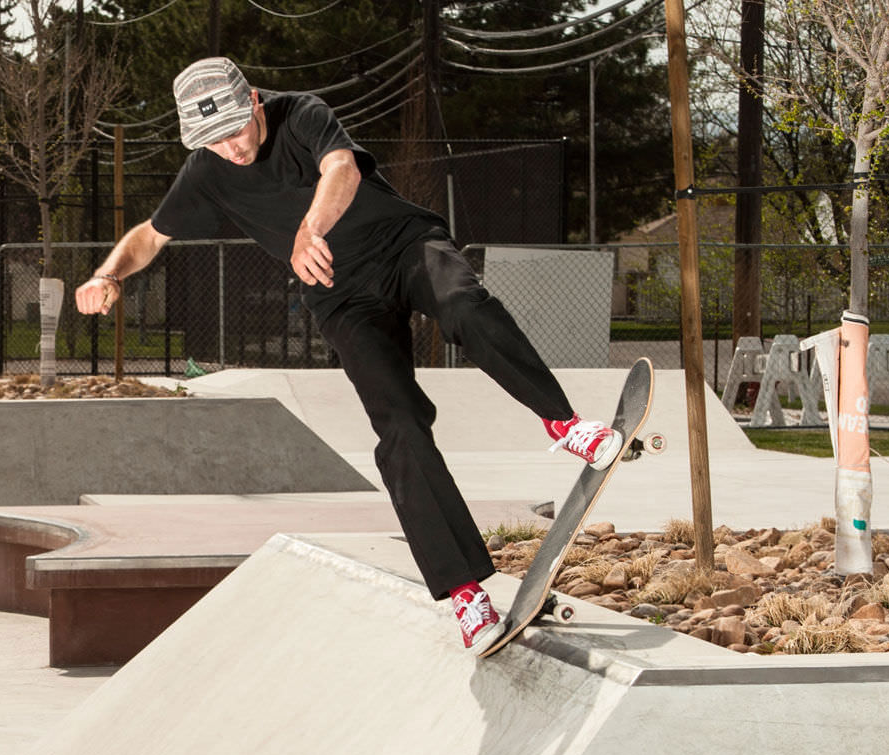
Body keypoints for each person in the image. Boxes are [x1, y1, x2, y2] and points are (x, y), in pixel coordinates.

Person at [75, 57, 622, 654]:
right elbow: (150, 234)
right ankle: (465, 591)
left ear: (254, 102)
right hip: (341, 296)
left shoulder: (301, 113)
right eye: (213, 139)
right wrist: (108, 275)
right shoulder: (206, 170)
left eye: (236, 128)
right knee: (398, 425)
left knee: (465, 306)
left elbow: (340, 168)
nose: (231, 147)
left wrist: (311, 227)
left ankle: (563, 423)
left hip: (403, 246)